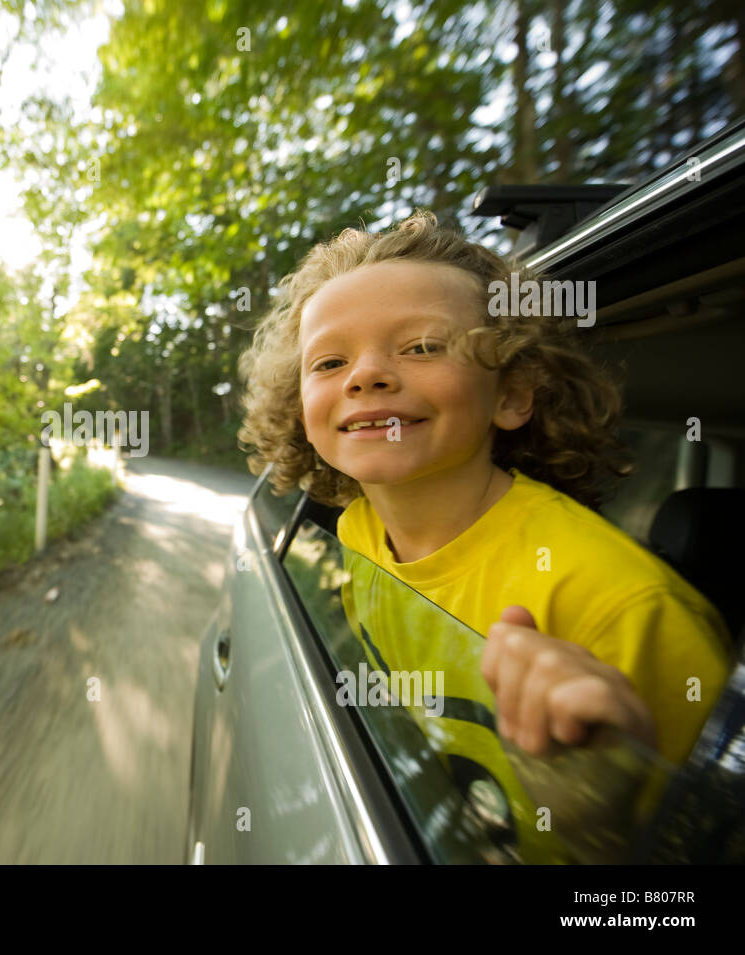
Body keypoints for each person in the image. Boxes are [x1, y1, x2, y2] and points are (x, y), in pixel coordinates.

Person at [237, 212, 732, 857]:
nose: (365, 376)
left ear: (514, 394)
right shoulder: (356, 531)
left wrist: (595, 812)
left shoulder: (627, 607)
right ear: (300, 408)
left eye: (421, 346)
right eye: (329, 361)